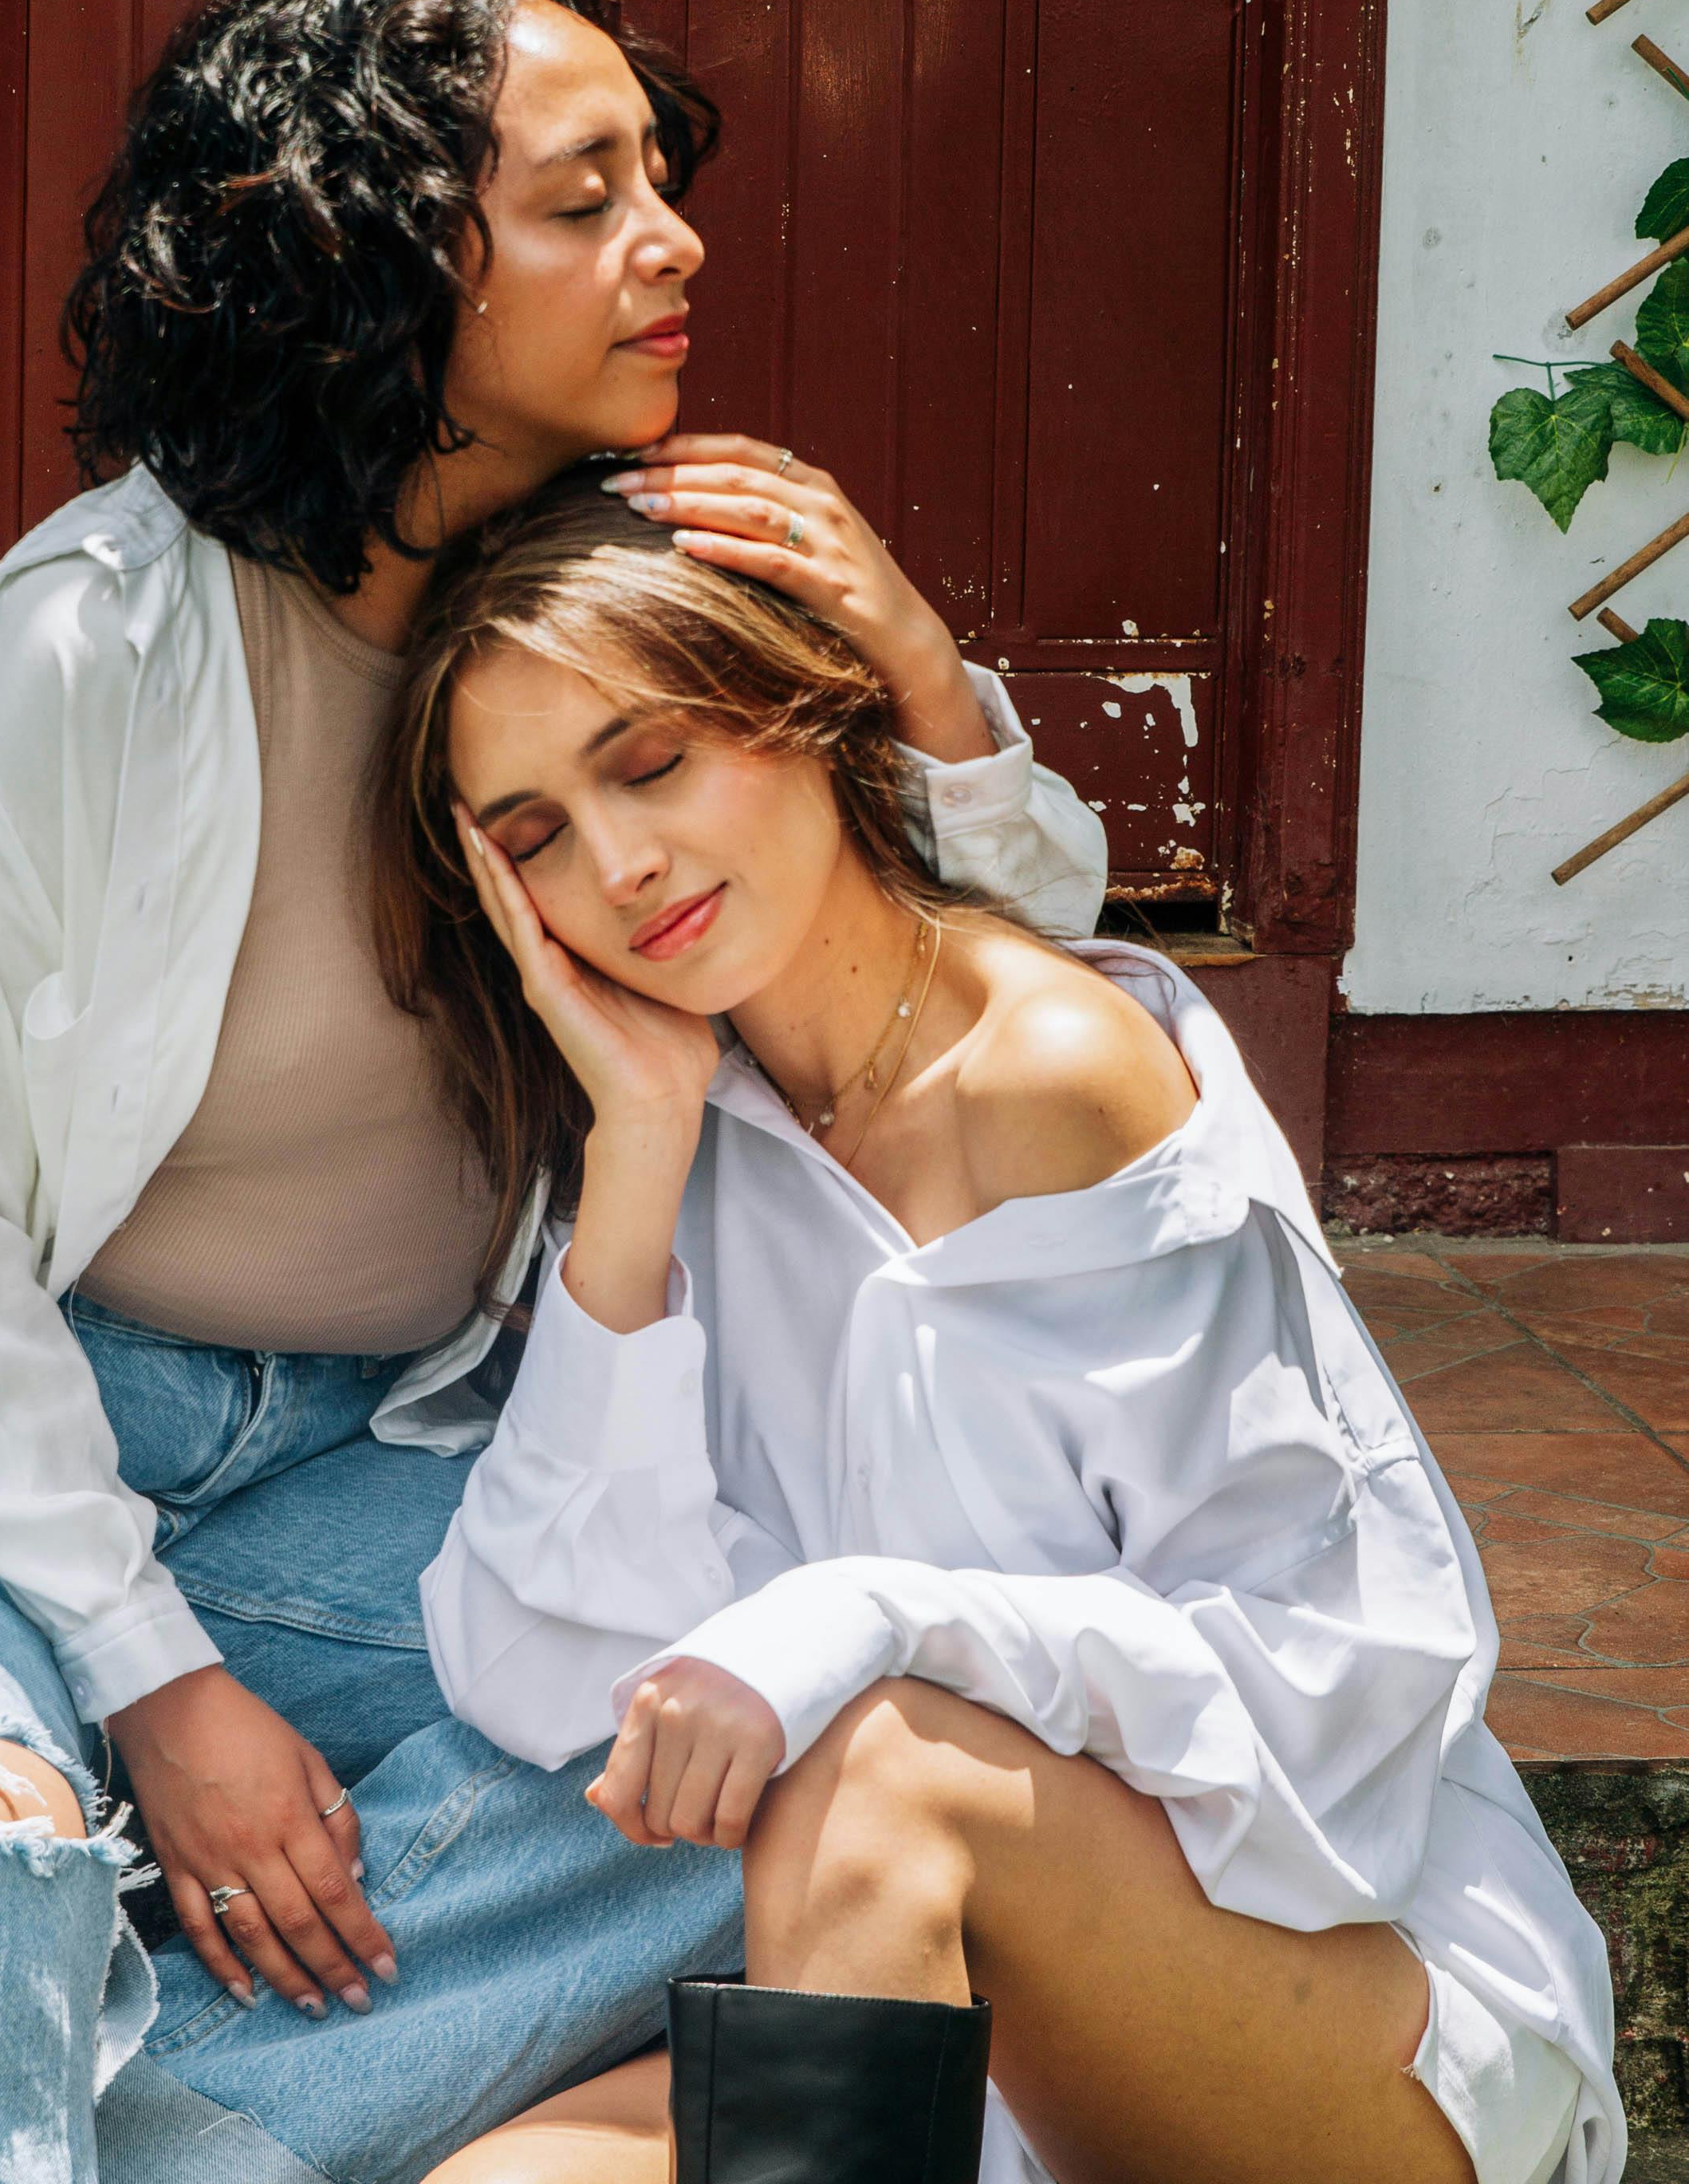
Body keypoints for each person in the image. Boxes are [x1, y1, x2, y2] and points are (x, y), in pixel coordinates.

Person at [0, 0, 1108, 2184]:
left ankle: (104, 2134)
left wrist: (925, 685)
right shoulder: (66, 663)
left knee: (784, 1775)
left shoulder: (626, 624)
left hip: (352, 1474)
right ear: (383, 268)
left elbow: (969, 1010)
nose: (671, 240)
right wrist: (154, 1688)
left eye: (652, 178)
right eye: (581, 201)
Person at [375, 472, 1622, 2184]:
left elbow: (1341, 1695)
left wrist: (871, 1613)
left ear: (802, 706)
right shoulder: (683, 1134)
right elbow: (535, 1674)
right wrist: (642, 1149)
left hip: (1355, 2015)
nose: (617, 863)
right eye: (529, 835)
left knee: (880, 1767)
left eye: (649, 760)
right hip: (935, 2021)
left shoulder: (1059, 1072)